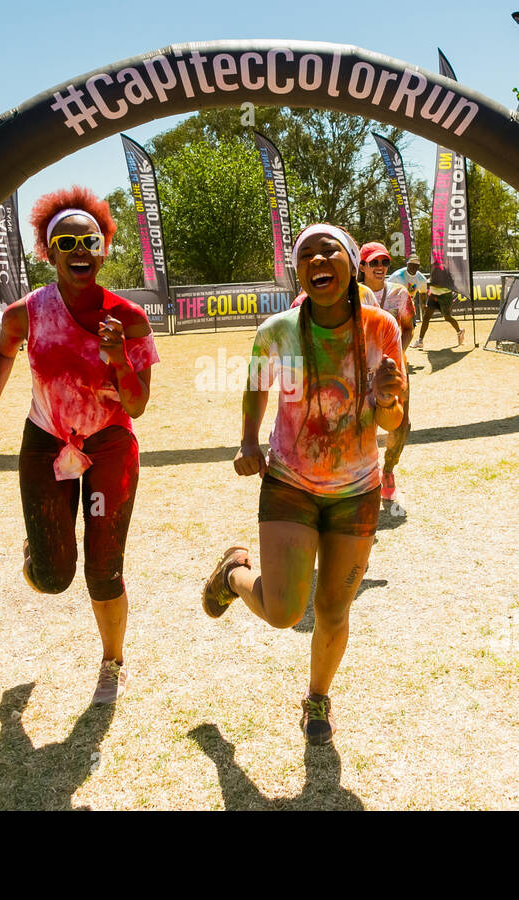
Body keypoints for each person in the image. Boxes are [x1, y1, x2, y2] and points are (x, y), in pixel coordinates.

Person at [202, 223, 406, 745]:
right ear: (299, 271)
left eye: (329, 250)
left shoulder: (381, 329)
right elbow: (255, 385)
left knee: (334, 611)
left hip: (356, 490)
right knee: (285, 612)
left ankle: (317, 697)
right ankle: (234, 575)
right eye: (307, 254)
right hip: (290, 481)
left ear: (350, 264)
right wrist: (249, 440)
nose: (319, 259)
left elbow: (392, 422)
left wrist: (387, 399)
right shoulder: (278, 331)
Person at [0, 186, 158, 706]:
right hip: (47, 441)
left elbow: (138, 405)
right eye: (67, 241)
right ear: (49, 252)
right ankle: (41, 549)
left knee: (104, 568)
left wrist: (119, 357)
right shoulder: (26, 313)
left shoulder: (131, 319)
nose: (80, 249)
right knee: (53, 579)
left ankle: (112, 663)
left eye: (89, 240)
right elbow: (4, 353)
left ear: (103, 250)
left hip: (109, 444)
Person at [358, 242, 415, 504]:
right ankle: (361, 477)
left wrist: (393, 355)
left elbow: (408, 328)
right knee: (360, 423)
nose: (380, 268)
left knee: (401, 424)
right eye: (374, 263)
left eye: (384, 263)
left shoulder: (400, 294)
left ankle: (388, 471)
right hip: (358, 371)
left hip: (394, 370)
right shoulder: (352, 294)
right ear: (362, 266)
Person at [414, 257, 465, 350]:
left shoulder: (445, 270)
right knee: (426, 317)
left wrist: (429, 283)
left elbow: (441, 284)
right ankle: (420, 341)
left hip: (445, 296)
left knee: (447, 317)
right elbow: (432, 281)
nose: (431, 263)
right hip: (433, 295)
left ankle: (459, 331)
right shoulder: (433, 268)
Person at [386, 255, 428, 326]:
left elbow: (423, 293)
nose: (413, 267)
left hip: (409, 305)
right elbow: (386, 288)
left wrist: (423, 304)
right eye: (411, 265)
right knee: (394, 327)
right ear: (407, 264)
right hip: (394, 305)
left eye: (416, 265)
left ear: (418, 267)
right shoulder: (397, 276)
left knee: (410, 328)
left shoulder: (421, 279)